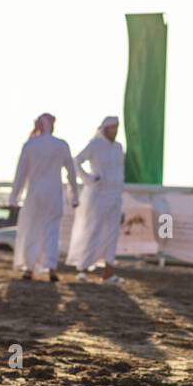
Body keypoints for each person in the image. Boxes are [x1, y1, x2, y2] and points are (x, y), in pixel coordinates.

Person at [6, 113, 78, 282]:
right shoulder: (61, 145)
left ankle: (29, 269)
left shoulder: (30, 145)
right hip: (54, 195)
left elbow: (20, 174)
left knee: (32, 230)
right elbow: (71, 173)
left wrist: (13, 198)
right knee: (52, 232)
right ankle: (52, 269)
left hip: (34, 195)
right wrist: (74, 196)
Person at [66, 115, 125, 284]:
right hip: (97, 196)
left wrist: (121, 198)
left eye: (117, 127)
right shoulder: (95, 145)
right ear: (105, 129)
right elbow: (76, 161)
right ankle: (83, 270)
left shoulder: (119, 148)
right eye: (113, 127)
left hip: (115, 196)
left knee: (112, 234)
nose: (115, 131)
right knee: (92, 231)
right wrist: (88, 178)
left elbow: (121, 173)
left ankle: (108, 273)